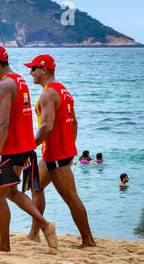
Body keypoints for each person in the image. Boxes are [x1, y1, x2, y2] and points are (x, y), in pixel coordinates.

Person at [0, 45, 58, 252]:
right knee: (11, 191)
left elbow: (4, 123)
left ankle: (5, 245)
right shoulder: (20, 80)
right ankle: (45, 225)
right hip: (25, 146)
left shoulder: (3, 86)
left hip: (10, 149)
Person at [24, 54, 96, 249]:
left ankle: (88, 241)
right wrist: (71, 148)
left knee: (71, 197)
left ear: (43, 70)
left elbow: (46, 127)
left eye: (33, 68)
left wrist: (27, 149)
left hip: (56, 154)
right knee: (36, 186)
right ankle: (34, 234)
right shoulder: (63, 90)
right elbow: (75, 122)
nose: (30, 73)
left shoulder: (48, 94)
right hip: (56, 152)